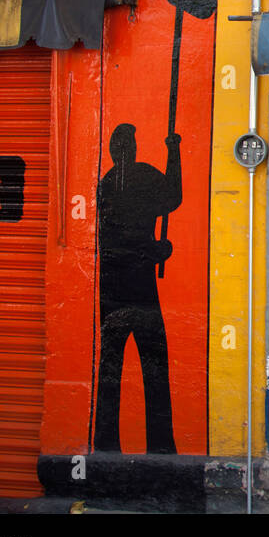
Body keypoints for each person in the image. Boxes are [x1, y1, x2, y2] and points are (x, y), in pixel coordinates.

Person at [94, 123, 182, 454]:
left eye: (129, 143)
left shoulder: (114, 182)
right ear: (118, 150)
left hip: (117, 292)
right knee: (149, 366)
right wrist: (155, 250)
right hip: (134, 289)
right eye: (123, 144)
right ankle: (155, 446)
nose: (126, 150)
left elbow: (171, 197)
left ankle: (111, 443)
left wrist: (174, 152)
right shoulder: (125, 182)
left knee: (121, 368)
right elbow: (169, 199)